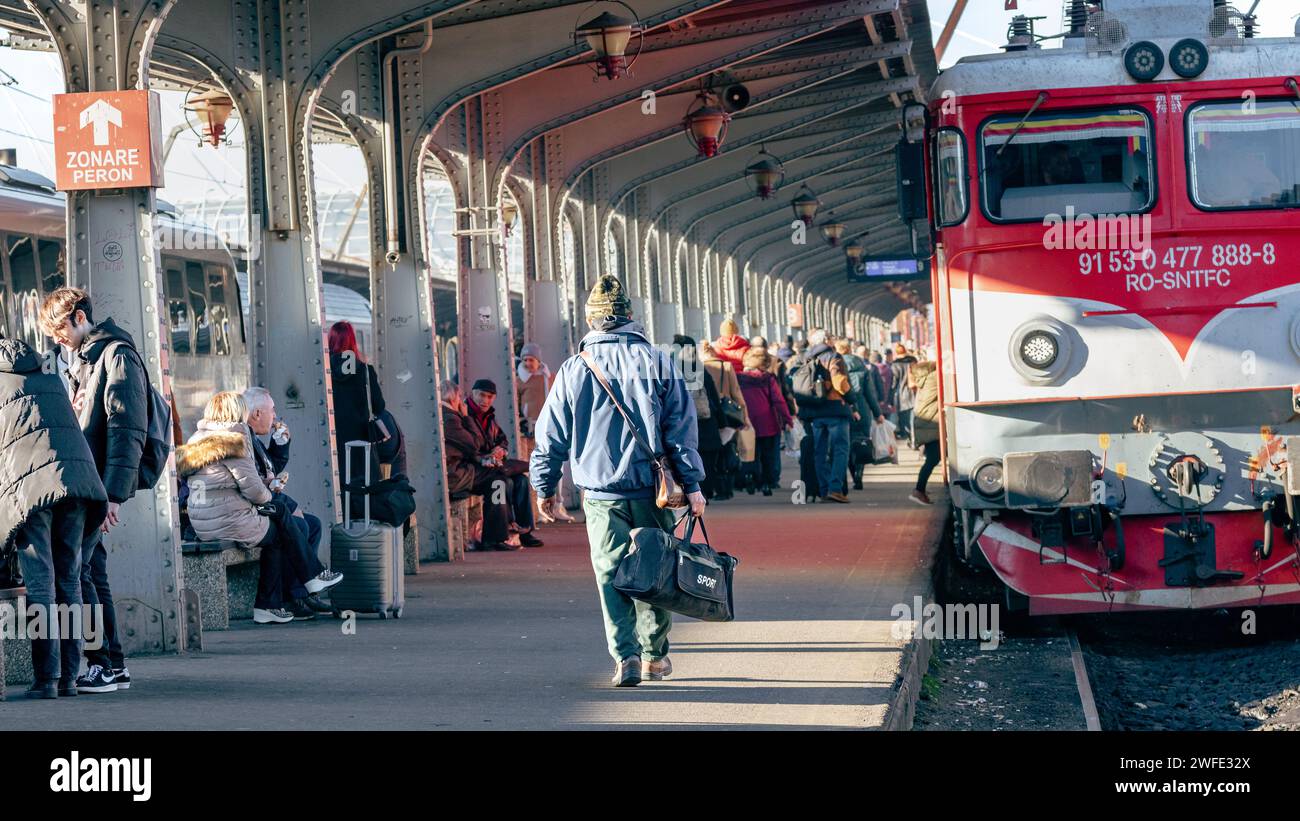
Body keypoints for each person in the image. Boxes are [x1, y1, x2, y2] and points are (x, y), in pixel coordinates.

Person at [531, 275, 706, 688]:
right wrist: (694, 485)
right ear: (631, 317)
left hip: (600, 493)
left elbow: (550, 434)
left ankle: (624, 656)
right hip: (654, 490)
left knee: (610, 571)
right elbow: (682, 430)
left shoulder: (575, 369)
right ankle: (654, 656)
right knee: (657, 569)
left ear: (592, 322)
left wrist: (545, 487)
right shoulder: (660, 362)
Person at [39, 287, 144, 694]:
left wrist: (113, 494)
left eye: (59, 329)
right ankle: (110, 663)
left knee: (82, 572)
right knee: (90, 572)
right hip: (92, 485)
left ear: (79, 317)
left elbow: (126, 427)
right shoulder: (90, 358)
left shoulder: (115, 355)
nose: (56, 339)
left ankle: (105, 662)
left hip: (99, 486)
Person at [0, 333, 107, 698]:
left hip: (34, 491)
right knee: (70, 581)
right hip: (77, 483)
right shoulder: (46, 374)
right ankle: (70, 679)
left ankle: (46, 679)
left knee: (41, 584)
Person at [178, 392, 314, 624]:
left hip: (203, 524)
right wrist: (269, 492)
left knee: (282, 521)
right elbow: (255, 492)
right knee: (283, 527)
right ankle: (279, 599)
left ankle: (299, 587)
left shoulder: (197, 440)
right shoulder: (232, 442)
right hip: (227, 522)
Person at [243, 386, 341, 617]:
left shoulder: (252, 438)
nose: (275, 416)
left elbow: (267, 472)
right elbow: (254, 486)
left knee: (312, 524)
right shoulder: (243, 438)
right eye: (272, 410)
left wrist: (280, 445)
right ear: (257, 413)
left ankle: (300, 594)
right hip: (248, 511)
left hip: (258, 505)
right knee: (298, 525)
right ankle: (294, 595)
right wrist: (288, 504)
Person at [441, 381, 521, 551]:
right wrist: (466, 416)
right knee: (499, 478)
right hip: (456, 475)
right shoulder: (450, 418)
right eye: (459, 397)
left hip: (457, 471)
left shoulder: (445, 415)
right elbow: (474, 444)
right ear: (453, 397)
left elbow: (498, 438)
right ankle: (497, 535)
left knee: (504, 479)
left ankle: (504, 531)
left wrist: (500, 450)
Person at [327, 321, 405, 488]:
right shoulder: (365, 370)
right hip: (361, 440)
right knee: (364, 487)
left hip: (333, 443)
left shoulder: (323, 373)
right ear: (353, 341)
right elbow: (379, 406)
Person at [466, 378, 541, 547]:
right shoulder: (466, 415)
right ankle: (497, 535)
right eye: (481, 395)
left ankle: (525, 532)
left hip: (490, 467)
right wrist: (487, 454)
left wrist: (501, 450)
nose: (485, 400)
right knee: (502, 483)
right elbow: (469, 446)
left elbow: (502, 439)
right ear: (473, 393)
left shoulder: (489, 416)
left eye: (490, 397)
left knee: (521, 480)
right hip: (475, 471)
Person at [791, 329, 855, 503]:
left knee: (820, 451)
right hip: (835, 409)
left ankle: (824, 489)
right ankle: (835, 488)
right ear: (827, 340)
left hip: (816, 411)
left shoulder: (808, 358)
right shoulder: (834, 357)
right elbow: (840, 382)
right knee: (840, 449)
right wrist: (851, 399)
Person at [737, 346, 793, 496]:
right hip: (768, 422)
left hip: (747, 422)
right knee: (768, 455)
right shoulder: (767, 378)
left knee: (750, 453)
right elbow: (778, 400)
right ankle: (767, 483)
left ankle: (750, 478)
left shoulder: (738, 377)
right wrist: (788, 419)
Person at [673, 334, 723, 500]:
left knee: (686, 457)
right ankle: (706, 491)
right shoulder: (700, 369)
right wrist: (722, 420)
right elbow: (713, 397)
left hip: (680, 423)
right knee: (707, 458)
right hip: (704, 421)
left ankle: (687, 491)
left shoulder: (669, 369)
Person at [700, 340, 749, 500]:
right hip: (726, 415)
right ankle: (725, 489)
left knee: (706, 456)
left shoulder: (697, 369)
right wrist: (745, 417)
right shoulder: (726, 366)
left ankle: (708, 488)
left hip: (705, 417)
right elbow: (736, 393)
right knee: (726, 453)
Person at [840, 340, 884, 491]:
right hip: (864, 410)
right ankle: (859, 474)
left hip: (845, 410)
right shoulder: (862, 367)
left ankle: (852, 474)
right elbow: (870, 394)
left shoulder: (835, 367)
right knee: (862, 442)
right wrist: (878, 413)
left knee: (847, 444)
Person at [909, 359, 941, 506]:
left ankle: (920, 489)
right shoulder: (934, 378)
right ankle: (918, 490)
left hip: (926, 423)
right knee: (933, 458)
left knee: (933, 457)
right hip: (930, 423)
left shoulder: (925, 380)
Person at [515, 342, 551, 465]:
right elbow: (516, 405)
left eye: (531, 360)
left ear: (538, 360)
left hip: (547, 426)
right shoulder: (520, 380)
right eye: (525, 360)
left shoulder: (549, 378)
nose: (528, 363)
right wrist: (522, 422)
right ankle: (531, 485)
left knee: (546, 459)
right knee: (529, 461)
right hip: (528, 427)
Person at [892, 343, 917, 441]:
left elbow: (894, 382)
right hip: (914, 392)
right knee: (914, 417)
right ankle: (914, 437)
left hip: (902, 395)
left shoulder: (895, 364)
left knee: (904, 418)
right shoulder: (913, 361)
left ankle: (908, 437)